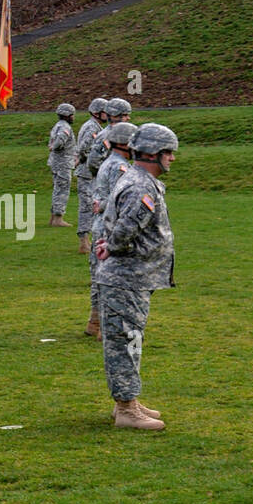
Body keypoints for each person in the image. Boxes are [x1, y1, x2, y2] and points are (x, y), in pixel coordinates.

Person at [94, 123, 178, 431]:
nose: (172, 158)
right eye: (168, 152)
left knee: (130, 339)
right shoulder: (140, 186)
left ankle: (128, 400)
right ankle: (126, 408)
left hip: (133, 277)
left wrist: (110, 244)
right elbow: (126, 229)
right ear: (153, 153)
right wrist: (112, 245)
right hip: (126, 278)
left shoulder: (139, 180)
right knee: (124, 342)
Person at [84, 120, 135, 337]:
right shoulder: (119, 167)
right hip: (110, 227)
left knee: (100, 276)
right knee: (112, 279)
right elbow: (118, 198)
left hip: (100, 225)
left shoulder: (108, 162)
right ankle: (105, 327)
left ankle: (95, 322)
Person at [74, 99, 109, 252]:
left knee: (92, 205)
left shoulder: (96, 126)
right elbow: (84, 149)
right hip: (87, 173)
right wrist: (92, 161)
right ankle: (84, 242)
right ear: (96, 113)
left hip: (91, 173)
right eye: (105, 112)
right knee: (87, 206)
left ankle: (89, 240)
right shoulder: (91, 127)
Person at [47, 104, 76, 228]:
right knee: (63, 190)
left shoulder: (57, 125)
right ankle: (58, 218)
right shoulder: (65, 127)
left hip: (56, 162)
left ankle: (53, 218)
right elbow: (59, 142)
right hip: (63, 163)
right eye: (72, 115)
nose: (73, 117)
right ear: (67, 115)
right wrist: (54, 147)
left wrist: (52, 146)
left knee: (57, 189)